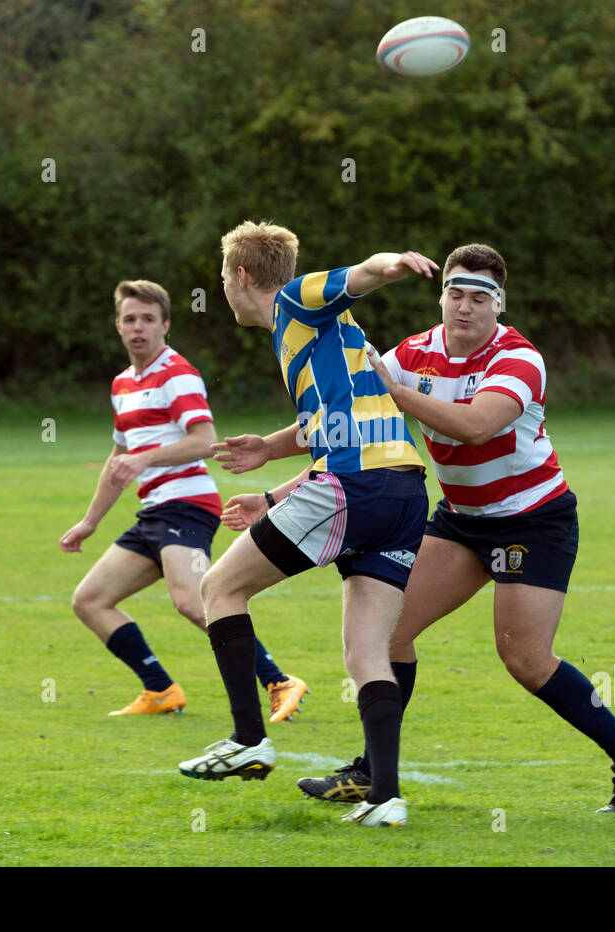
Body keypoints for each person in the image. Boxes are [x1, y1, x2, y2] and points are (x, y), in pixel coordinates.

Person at [218, 244, 615, 813]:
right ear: (441, 296)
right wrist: (272, 459)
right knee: (387, 635)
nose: (465, 307)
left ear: (498, 306)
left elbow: (476, 427)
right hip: (459, 521)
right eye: (456, 293)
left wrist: (399, 390)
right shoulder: (416, 351)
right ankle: (373, 773)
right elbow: (357, 414)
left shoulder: (519, 359)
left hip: (532, 521)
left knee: (525, 659)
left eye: (480, 298)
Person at [175, 221, 433, 828]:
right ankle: (385, 797)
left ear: (241, 277)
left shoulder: (294, 302)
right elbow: (331, 424)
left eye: (223, 279)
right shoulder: (324, 340)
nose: (225, 290)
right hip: (404, 491)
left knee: (219, 588)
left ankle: (248, 738)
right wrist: (268, 454)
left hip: (355, 486)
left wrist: (392, 261)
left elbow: (361, 273)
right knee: (367, 650)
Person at [60, 279, 308, 722]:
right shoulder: (122, 384)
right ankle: (159, 688)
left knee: (193, 601)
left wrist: (145, 459)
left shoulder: (177, 374)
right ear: (118, 326)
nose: (139, 328)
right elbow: (119, 459)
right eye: (130, 319)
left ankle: (278, 680)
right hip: (153, 512)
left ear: (165, 325)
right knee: (89, 599)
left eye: (148, 320)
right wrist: (90, 522)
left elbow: (204, 440)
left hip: (188, 506)